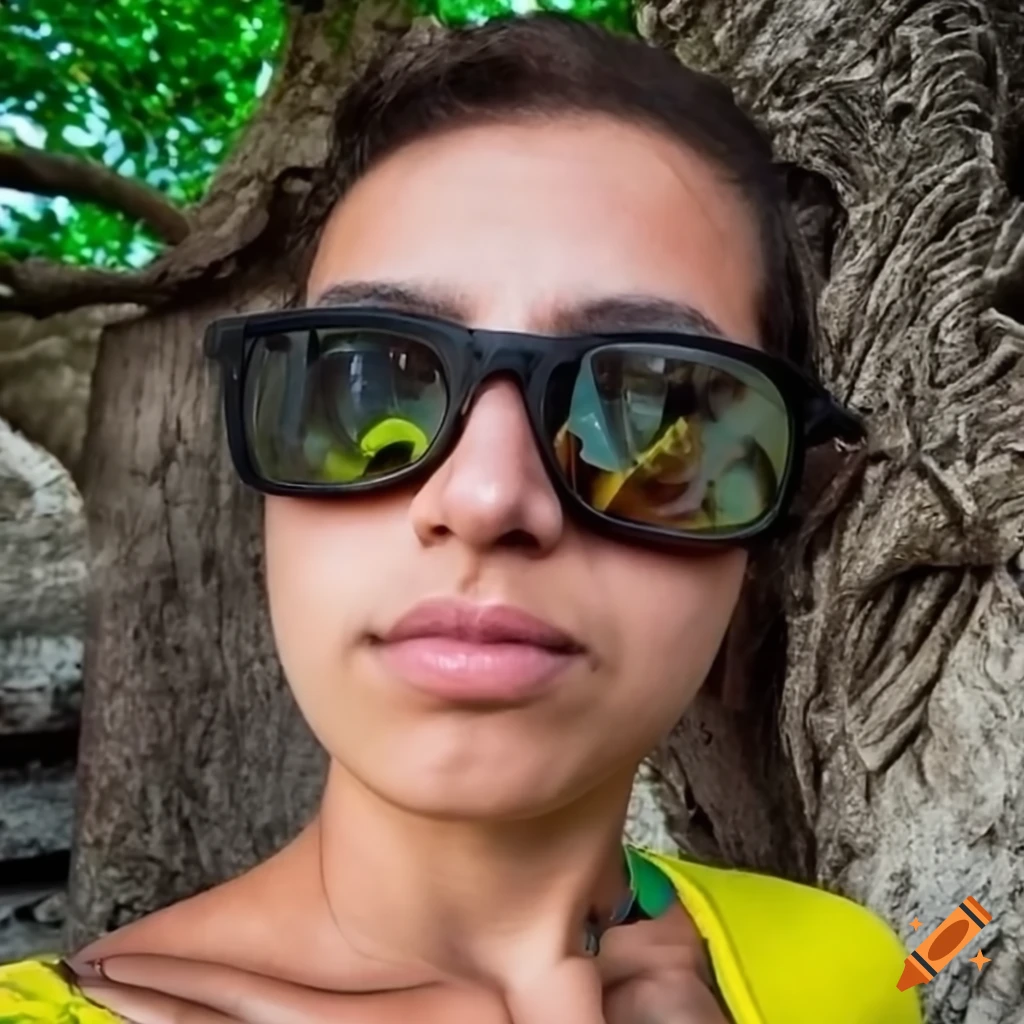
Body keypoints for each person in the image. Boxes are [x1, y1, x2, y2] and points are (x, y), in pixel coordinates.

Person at [0, 13, 923, 1024]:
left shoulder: (846, 972)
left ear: (771, 519)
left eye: (656, 410)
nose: (484, 500)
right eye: (361, 391)